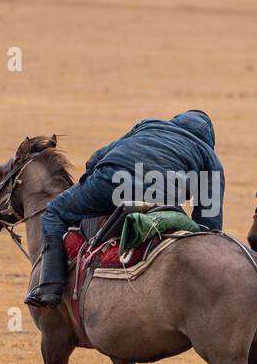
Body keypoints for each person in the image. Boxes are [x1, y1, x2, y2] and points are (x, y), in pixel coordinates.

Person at [24, 110, 225, 308]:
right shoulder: (209, 157)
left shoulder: (150, 124)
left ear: (175, 122)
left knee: (54, 213)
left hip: (112, 183)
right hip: (161, 199)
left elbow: (96, 158)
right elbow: (209, 221)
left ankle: (50, 287)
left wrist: (89, 184)